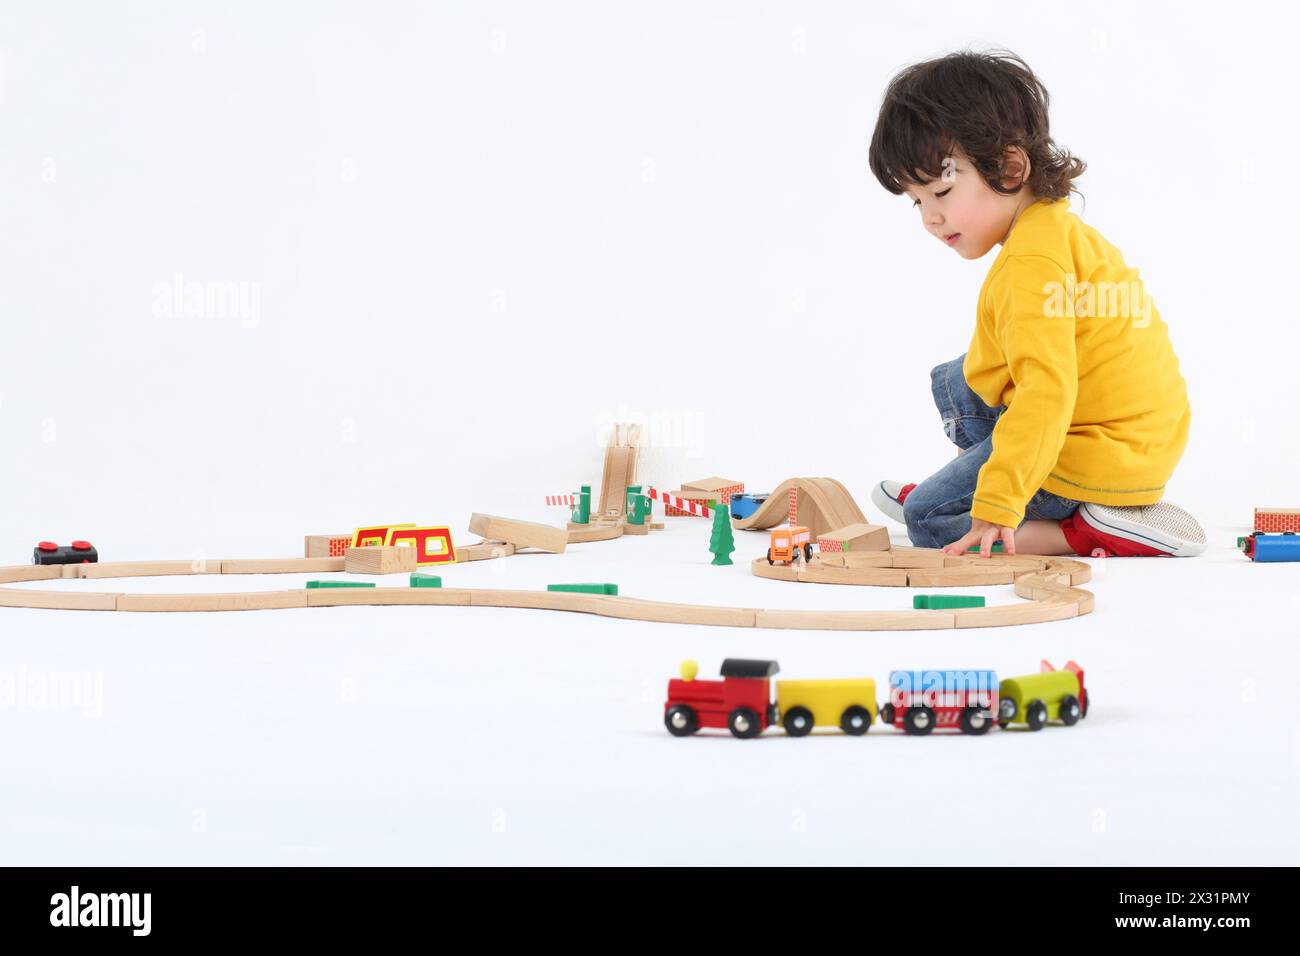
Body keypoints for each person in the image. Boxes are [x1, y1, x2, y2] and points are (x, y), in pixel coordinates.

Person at [866, 49, 1205, 558]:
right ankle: (983, 484)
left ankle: (1080, 530)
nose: (930, 218)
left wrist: (997, 502)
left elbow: (1046, 392)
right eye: (918, 201)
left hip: (1096, 454)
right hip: (1139, 439)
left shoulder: (1031, 264)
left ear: (1008, 166)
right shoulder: (1057, 228)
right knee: (962, 378)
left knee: (927, 520)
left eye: (940, 190)